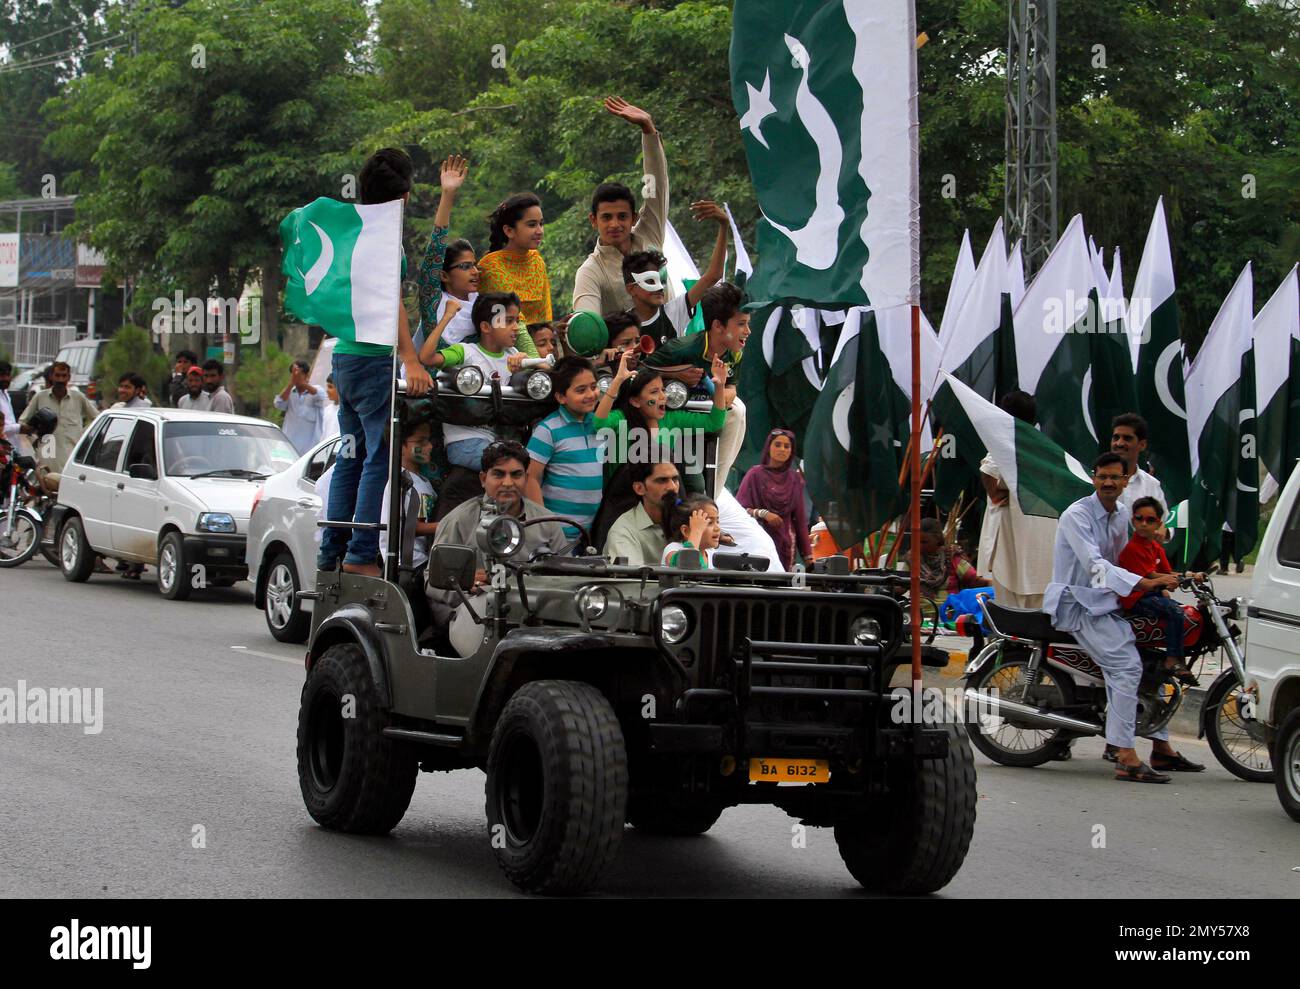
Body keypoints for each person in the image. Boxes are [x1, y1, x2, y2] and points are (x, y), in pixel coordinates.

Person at [1046, 452, 1204, 782]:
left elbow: (1129, 557)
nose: (1107, 482)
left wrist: (1170, 574)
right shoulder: (1077, 515)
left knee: (1153, 662)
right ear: (1093, 478)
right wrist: (1144, 582)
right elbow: (1095, 566)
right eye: (1101, 476)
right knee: (1127, 667)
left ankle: (1160, 747)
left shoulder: (1121, 515)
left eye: (1114, 478)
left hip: (1111, 601)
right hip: (1081, 603)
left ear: (1124, 482)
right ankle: (1124, 754)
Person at [319, 147, 433, 577]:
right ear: (403, 196)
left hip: (344, 357)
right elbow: (394, 305)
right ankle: (362, 553)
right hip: (372, 361)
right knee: (378, 458)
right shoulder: (386, 241)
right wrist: (411, 358)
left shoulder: (352, 234)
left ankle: (331, 550)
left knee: (351, 456)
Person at [427, 441, 567, 626]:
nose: (508, 483)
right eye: (499, 474)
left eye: (516, 475)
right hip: (474, 618)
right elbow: (431, 581)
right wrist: (464, 584)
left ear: (526, 477)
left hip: (534, 618)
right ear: (483, 479)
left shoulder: (547, 522)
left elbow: (567, 575)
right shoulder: (458, 521)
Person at [642, 281, 749, 495]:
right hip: (672, 419)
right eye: (741, 324)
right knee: (693, 482)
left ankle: (713, 497)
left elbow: (731, 387)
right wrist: (674, 374)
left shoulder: (735, 352)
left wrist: (726, 391)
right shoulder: (681, 349)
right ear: (718, 326)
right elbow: (639, 370)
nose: (748, 331)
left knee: (738, 410)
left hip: (705, 416)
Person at [572, 97, 670, 315]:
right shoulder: (591, 271)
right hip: (628, 349)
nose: (615, 224)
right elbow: (587, 324)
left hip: (675, 344)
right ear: (593, 220)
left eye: (622, 216)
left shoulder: (649, 235)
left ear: (634, 218)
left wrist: (648, 129)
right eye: (606, 217)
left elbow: (657, 188)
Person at [420, 292, 527, 469]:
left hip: (498, 441)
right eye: (508, 321)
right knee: (511, 466)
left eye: (517, 320)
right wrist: (448, 316)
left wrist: (528, 362)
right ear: (485, 327)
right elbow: (427, 357)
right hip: (465, 442)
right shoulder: (466, 352)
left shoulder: (514, 356)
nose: (516, 327)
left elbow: (548, 374)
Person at [594, 352, 728, 491]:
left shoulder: (672, 419)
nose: (664, 396)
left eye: (662, 390)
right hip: (622, 502)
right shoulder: (621, 419)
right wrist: (618, 380)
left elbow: (714, 422)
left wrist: (720, 386)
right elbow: (599, 424)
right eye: (654, 392)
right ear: (635, 401)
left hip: (656, 502)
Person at [978, 391, 1057, 609]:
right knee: (1036, 602)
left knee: (1009, 604)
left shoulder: (1006, 441)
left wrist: (994, 494)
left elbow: (988, 469)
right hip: (1038, 541)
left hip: (1012, 539)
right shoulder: (1044, 447)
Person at [1118, 496, 1203, 689]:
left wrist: (1191, 575)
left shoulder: (1155, 546)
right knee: (1174, 612)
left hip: (1152, 594)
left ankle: (1175, 657)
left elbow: (1166, 572)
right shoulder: (1132, 548)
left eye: (1150, 520)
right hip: (1137, 597)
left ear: (1158, 523)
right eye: (1139, 519)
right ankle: (1172, 659)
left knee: (1183, 612)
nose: (1144, 524)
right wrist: (1176, 579)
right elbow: (1151, 575)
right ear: (1133, 521)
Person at [621, 201, 729, 348]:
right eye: (650, 282)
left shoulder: (674, 312)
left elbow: (713, 275)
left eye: (661, 280)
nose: (659, 288)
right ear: (631, 288)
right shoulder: (620, 325)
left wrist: (724, 225)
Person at [524, 356, 603, 539]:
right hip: (559, 534)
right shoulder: (548, 430)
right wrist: (546, 525)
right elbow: (531, 478)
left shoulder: (599, 424)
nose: (591, 394)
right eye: (581, 390)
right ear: (560, 397)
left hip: (592, 533)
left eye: (593, 386)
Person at [379, 416, 438, 629]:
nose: (429, 446)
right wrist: (448, 525)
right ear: (401, 446)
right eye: (420, 442)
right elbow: (415, 528)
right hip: (411, 564)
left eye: (429, 440)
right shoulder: (406, 483)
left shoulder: (421, 481)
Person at [413, 155, 474, 353]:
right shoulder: (434, 300)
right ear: (444, 275)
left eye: (475, 265)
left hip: (474, 382)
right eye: (465, 266)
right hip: (426, 381)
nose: (475, 271)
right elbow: (436, 246)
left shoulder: (482, 304)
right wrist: (448, 194)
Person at [475, 193, 547, 357]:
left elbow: (543, 319)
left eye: (541, 224)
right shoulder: (491, 266)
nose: (539, 231)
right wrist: (537, 363)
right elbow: (510, 321)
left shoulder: (537, 261)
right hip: (502, 353)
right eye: (531, 225)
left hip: (537, 350)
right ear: (509, 230)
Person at [736, 428, 812, 571]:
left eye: (787, 446)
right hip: (758, 542)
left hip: (786, 546)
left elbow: (800, 521)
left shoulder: (794, 479)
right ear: (768, 447)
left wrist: (809, 558)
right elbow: (739, 512)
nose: (782, 449)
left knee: (783, 588)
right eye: (777, 445)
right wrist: (763, 513)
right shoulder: (754, 474)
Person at [18, 361, 99, 473]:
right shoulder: (40, 397)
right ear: (51, 376)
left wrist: (83, 435)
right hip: (47, 455)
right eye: (57, 375)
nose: (61, 380)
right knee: (46, 486)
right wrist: (36, 441)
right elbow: (22, 422)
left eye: (64, 376)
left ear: (69, 377)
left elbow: (97, 419)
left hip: (71, 455)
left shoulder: (78, 397)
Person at [603, 460, 682, 564]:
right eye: (662, 480)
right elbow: (632, 580)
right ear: (639, 488)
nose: (672, 487)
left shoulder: (688, 520)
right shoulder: (623, 532)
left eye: (675, 479)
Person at [900, 517, 989, 605]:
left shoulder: (952, 557)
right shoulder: (912, 559)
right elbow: (901, 586)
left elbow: (976, 581)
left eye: (924, 542)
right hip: (918, 614)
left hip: (949, 613)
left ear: (937, 539)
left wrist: (996, 587)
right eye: (916, 541)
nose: (919, 545)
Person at [1111, 413, 1166, 514]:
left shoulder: (1152, 485)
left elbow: (1163, 526)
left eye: (1127, 438)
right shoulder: (1097, 481)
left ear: (1142, 445)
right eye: (1116, 438)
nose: (1119, 443)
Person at [274, 359, 328, 453]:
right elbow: (278, 404)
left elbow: (320, 395)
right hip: (289, 449)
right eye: (293, 374)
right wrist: (291, 384)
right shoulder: (289, 392)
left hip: (310, 450)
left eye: (300, 374)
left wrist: (302, 383)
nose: (296, 376)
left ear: (307, 375)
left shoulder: (316, 390)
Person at [661, 493, 722, 568]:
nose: (717, 528)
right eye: (709, 522)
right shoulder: (673, 548)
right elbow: (686, 564)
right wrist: (696, 531)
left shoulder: (713, 555)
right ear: (686, 531)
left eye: (717, 521)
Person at [0, 361, 22, 450]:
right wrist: (19, 428)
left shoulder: (5, 393)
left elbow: (9, 422)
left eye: (8, 375)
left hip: (9, 448)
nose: (6, 378)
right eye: (2, 375)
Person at [319, 374, 341, 441]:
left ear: (340, 389)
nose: (327, 390)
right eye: (327, 387)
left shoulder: (346, 412)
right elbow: (323, 435)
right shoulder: (327, 410)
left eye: (330, 387)